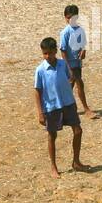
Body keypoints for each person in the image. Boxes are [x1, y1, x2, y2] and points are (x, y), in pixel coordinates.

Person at [34, 37, 88, 178]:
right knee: (52, 136)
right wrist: (40, 112)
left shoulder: (63, 65)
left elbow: (69, 79)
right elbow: (37, 91)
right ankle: (53, 166)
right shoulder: (40, 70)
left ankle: (76, 162)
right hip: (51, 107)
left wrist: (71, 98)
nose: (48, 56)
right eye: (45, 53)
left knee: (78, 131)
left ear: (55, 51)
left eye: (50, 53)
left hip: (68, 104)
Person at [59, 4, 96, 119]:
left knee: (70, 85)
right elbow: (63, 50)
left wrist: (83, 51)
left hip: (77, 63)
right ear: (65, 18)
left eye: (73, 17)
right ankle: (86, 109)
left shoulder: (80, 30)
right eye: (69, 17)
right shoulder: (65, 32)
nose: (71, 20)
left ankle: (61, 109)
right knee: (79, 84)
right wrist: (68, 67)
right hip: (70, 64)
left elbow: (82, 44)